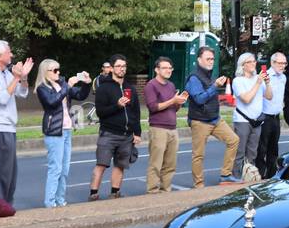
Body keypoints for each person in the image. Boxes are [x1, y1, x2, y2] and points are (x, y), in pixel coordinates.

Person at [0, 40, 33, 205]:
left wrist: (23, 77)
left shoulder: (5, 73)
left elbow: (22, 93)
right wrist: (16, 77)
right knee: (1, 172)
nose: (12, 55)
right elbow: (2, 98)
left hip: (9, 128)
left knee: (11, 173)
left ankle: (6, 206)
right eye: (9, 52)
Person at [36, 59, 92, 207]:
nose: (58, 73)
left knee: (65, 169)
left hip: (67, 130)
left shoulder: (62, 85)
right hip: (54, 131)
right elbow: (52, 102)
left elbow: (80, 95)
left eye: (59, 69)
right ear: (45, 72)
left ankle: (60, 200)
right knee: (56, 168)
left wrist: (86, 83)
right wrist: (68, 86)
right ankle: (50, 202)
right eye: (55, 70)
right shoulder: (43, 88)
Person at [184, 46, 239, 187]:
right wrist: (215, 86)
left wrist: (219, 95)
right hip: (200, 121)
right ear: (199, 60)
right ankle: (199, 185)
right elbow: (199, 99)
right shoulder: (194, 78)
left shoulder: (209, 75)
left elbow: (210, 96)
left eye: (212, 59)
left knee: (233, 140)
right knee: (198, 155)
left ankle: (225, 175)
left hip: (215, 118)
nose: (211, 61)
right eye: (208, 59)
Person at [89, 53, 142, 200]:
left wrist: (137, 133)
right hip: (109, 133)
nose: (121, 69)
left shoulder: (130, 88)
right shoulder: (103, 88)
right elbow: (100, 113)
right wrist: (117, 105)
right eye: (118, 66)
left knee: (120, 165)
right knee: (101, 164)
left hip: (126, 135)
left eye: (124, 66)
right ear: (111, 68)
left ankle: (115, 192)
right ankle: (93, 194)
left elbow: (136, 112)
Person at [144, 57, 188, 193]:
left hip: (172, 128)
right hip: (158, 128)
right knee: (156, 163)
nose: (168, 70)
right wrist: (172, 100)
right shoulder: (151, 85)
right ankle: (152, 191)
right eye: (165, 68)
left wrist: (178, 102)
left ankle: (165, 190)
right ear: (157, 70)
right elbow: (153, 107)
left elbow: (173, 109)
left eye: (170, 68)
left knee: (170, 164)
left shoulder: (171, 85)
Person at [230, 52, 270, 181]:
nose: (254, 64)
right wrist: (258, 83)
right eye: (250, 62)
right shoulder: (238, 81)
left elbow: (269, 96)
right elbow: (246, 99)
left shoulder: (258, 79)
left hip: (257, 121)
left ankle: (249, 178)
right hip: (242, 121)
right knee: (240, 152)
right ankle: (236, 177)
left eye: (254, 61)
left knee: (252, 153)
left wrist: (267, 83)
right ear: (243, 65)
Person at [256, 53, 288, 178]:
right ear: (273, 63)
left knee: (273, 148)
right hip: (265, 116)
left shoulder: (283, 77)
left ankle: (271, 174)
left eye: (284, 63)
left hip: (276, 116)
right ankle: (260, 173)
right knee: (262, 148)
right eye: (280, 63)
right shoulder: (265, 76)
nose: (282, 66)